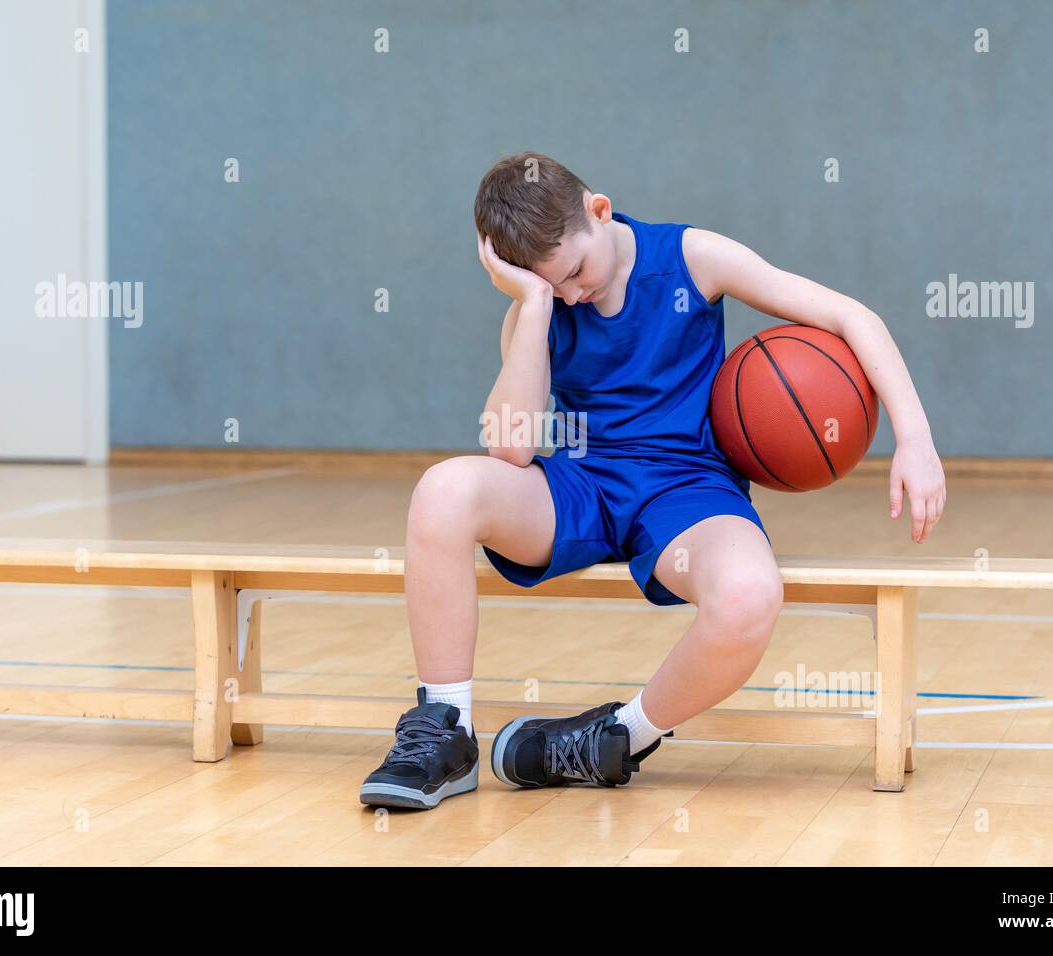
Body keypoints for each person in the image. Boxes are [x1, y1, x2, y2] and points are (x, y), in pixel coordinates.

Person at [360, 152, 946, 809]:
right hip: (582, 486)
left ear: (600, 211)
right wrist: (532, 306)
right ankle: (447, 733)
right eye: (554, 287)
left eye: (577, 272)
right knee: (444, 489)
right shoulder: (542, 307)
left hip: (687, 492)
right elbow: (511, 447)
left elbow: (852, 318)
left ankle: (615, 739)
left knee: (751, 596)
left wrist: (915, 439)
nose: (573, 294)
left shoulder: (692, 257)